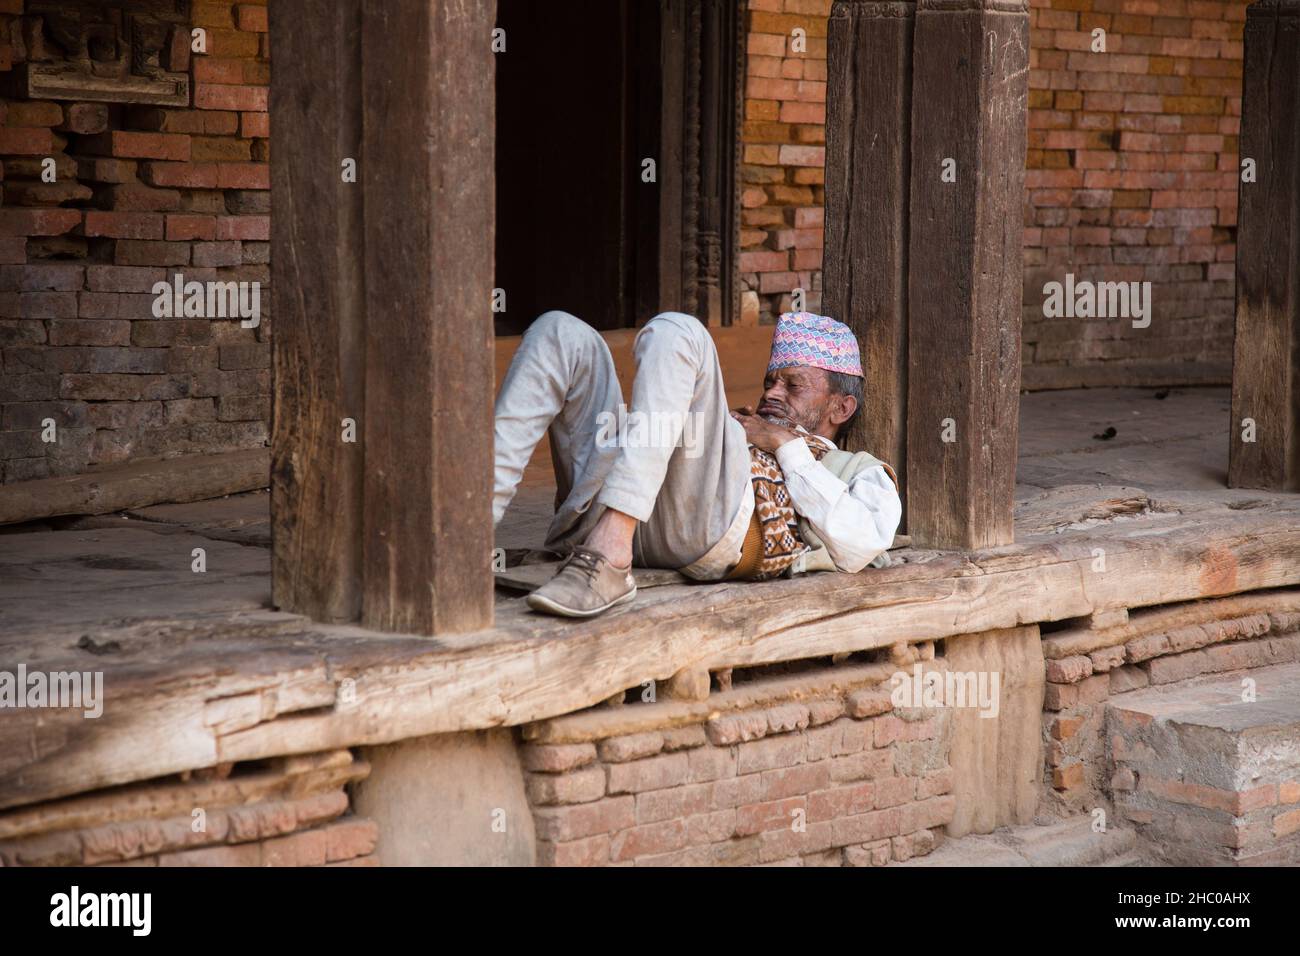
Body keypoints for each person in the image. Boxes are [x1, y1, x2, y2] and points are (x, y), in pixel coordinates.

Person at [493, 309, 902, 618]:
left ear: (841, 407)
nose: (773, 394)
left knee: (679, 330)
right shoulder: (733, 426)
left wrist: (783, 443)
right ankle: (467, 535)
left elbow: (861, 545)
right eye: (769, 383)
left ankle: (611, 556)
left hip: (700, 532)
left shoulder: (859, 470)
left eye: (793, 385)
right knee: (559, 331)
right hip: (603, 513)